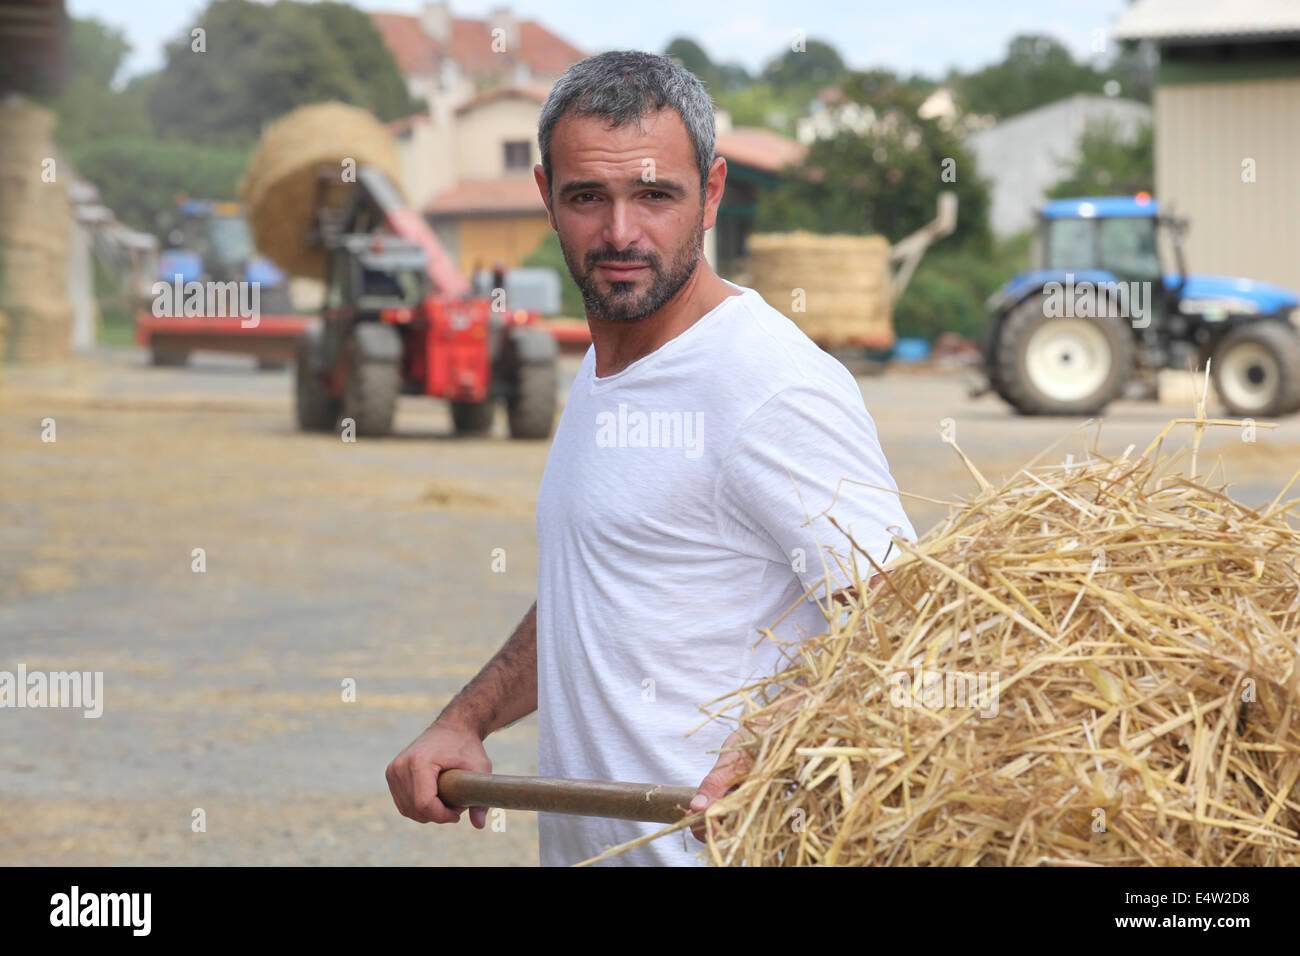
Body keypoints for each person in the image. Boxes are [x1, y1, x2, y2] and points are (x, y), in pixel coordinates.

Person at [386, 50, 916, 866]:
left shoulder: (767, 383)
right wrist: (469, 717)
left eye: (655, 195)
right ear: (545, 198)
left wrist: (777, 739)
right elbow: (599, 590)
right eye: (588, 197)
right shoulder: (608, 367)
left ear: (710, 193)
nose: (620, 232)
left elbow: (905, 618)